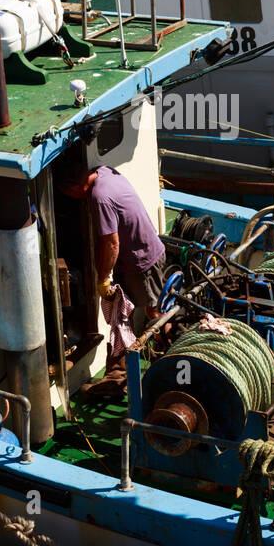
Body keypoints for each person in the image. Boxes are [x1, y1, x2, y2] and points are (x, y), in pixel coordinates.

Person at [56, 162, 166, 398]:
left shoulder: (99, 197)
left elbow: (111, 243)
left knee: (146, 316)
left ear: (77, 185)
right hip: (145, 256)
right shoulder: (105, 172)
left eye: (70, 192)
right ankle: (118, 376)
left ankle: (168, 368)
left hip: (141, 263)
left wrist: (103, 277)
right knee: (127, 316)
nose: (74, 198)